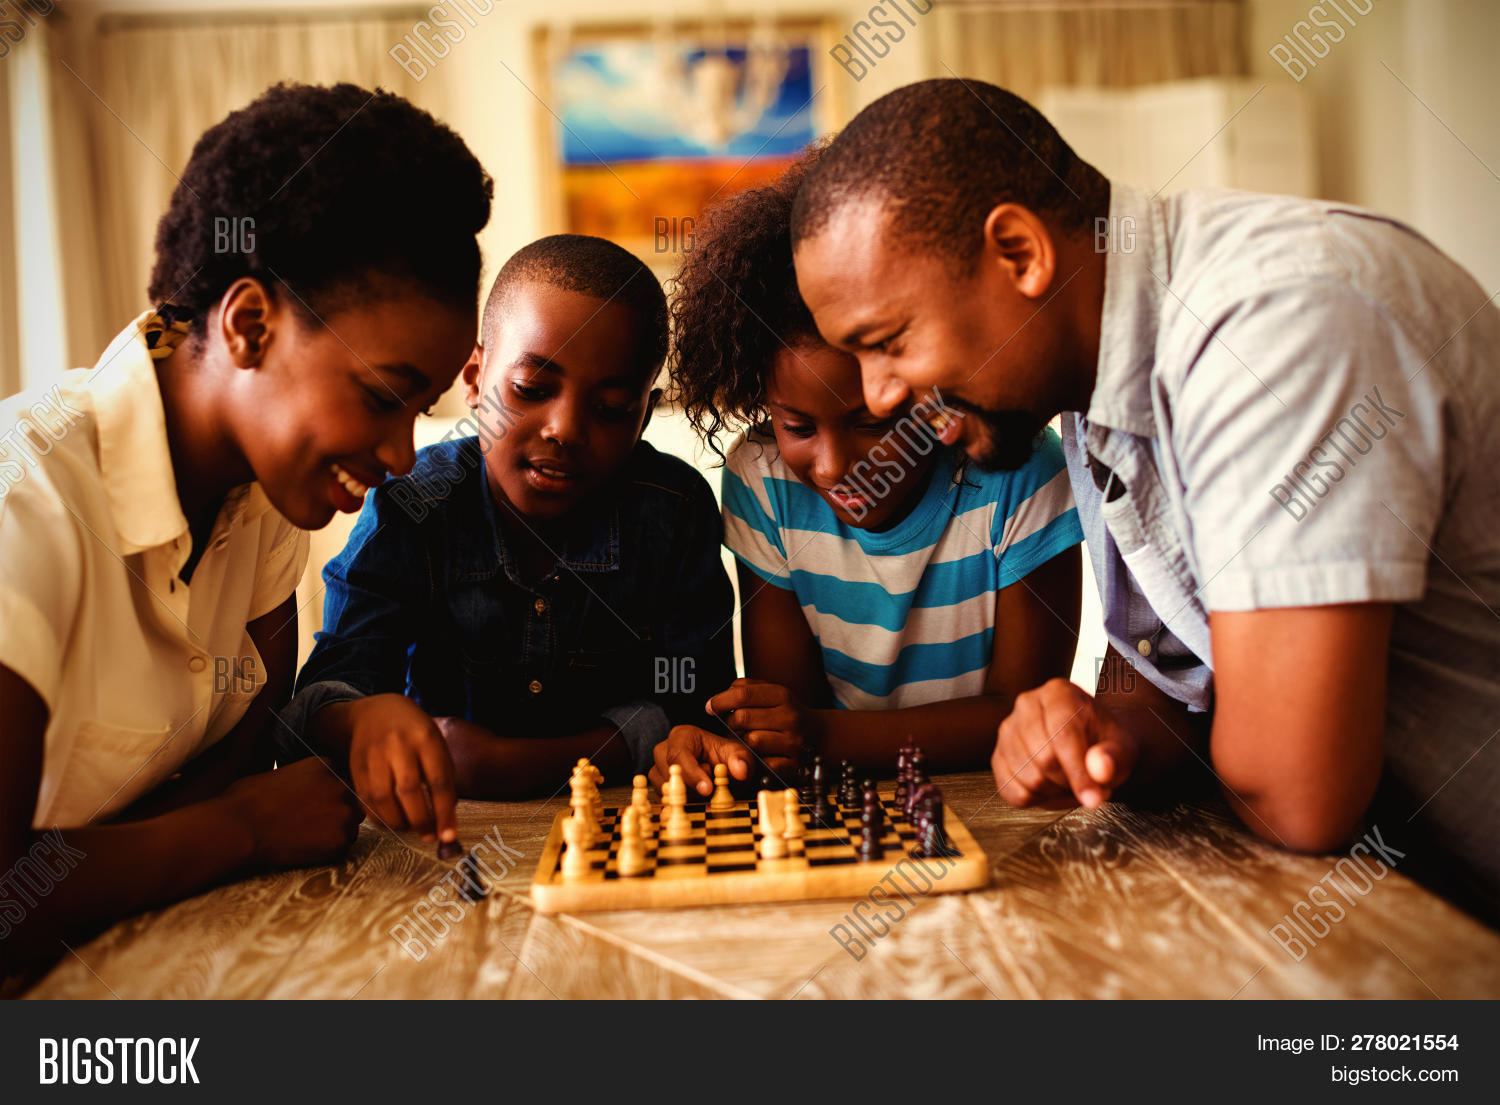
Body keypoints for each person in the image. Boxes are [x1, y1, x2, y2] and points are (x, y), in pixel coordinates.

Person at [789, 77, 1500, 918]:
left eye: (889, 341)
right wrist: (1095, 735)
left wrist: (1209, 739)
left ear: (1019, 252)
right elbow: (1158, 686)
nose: (876, 397)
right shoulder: (1094, 386)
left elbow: (1301, 799)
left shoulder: (1275, 326)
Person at [0, 82, 492, 962]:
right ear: (250, 325)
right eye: (383, 396)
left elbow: (244, 748)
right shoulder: (24, 500)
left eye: (420, 409)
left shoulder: (266, 498)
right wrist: (238, 831)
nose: (404, 456)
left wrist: (329, 737)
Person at [652, 150, 1082, 797]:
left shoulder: (1019, 469)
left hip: (996, 802)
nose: (832, 466)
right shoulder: (763, 479)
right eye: (798, 426)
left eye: (876, 423)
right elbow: (785, 711)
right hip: (849, 808)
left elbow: (1024, 716)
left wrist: (824, 737)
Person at [281, 235, 735, 805]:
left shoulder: (673, 509)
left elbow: (699, 706)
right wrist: (368, 722)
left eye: (611, 409)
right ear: (473, 379)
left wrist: (519, 766)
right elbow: (326, 700)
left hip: (626, 819)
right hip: (443, 832)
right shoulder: (413, 503)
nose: (564, 429)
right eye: (532, 389)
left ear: (644, 412)